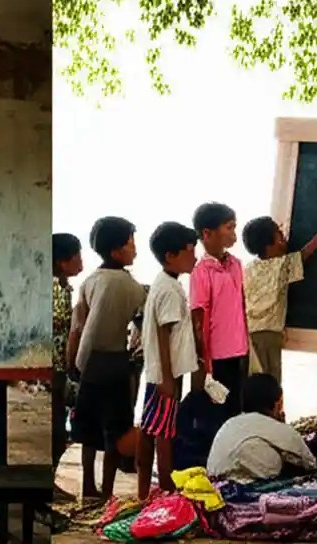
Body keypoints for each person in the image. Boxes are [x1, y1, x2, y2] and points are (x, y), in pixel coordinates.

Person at [67, 216, 147, 499]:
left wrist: (72, 364)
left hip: (89, 363)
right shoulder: (134, 287)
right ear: (116, 250)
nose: (135, 250)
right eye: (131, 244)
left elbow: (77, 328)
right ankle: (107, 490)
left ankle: (87, 486)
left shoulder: (90, 282)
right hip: (116, 363)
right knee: (116, 431)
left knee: (88, 431)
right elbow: (142, 326)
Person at [136, 222, 201, 499]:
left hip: (160, 371)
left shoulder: (165, 283)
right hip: (166, 372)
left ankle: (143, 490)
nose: (194, 257)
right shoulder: (170, 290)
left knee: (150, 427)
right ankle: (165, 487)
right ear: (170, 256)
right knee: (164, 432)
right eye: (189, 251)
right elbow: (164, 334)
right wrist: (167, 378)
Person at [241, 213, 317, 383]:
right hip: (268, 336)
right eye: (279, 235)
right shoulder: (280, 266)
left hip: (249, 333)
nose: (284, 238)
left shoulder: (250, 268)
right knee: (269, 382)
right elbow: (305, 254)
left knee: (255, 380)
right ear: (269, 245)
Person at [189, 202, 246, 419]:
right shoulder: (201, 272)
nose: (233, 234)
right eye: (229, 228)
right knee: (217, 413)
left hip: (240, 351)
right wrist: (204, 362)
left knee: (237, 409)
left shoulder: (236, 264)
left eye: (234, 227)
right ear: (207, 233)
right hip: (217, 357)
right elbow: (198, 319)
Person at [207, 373, 317, 482]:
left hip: (213, 483)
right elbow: (310, 463)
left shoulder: (229, 424)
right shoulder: (278, 428)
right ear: (278, 404)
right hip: (250, 485)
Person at [52, 233, 84, 478]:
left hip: (57, 365)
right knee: (56, 424)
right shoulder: (57, 289)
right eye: (77, 256)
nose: (81, 262)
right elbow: (65, 327)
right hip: (55, 366)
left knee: (58, 420)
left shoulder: (63, 287)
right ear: (63, 262)